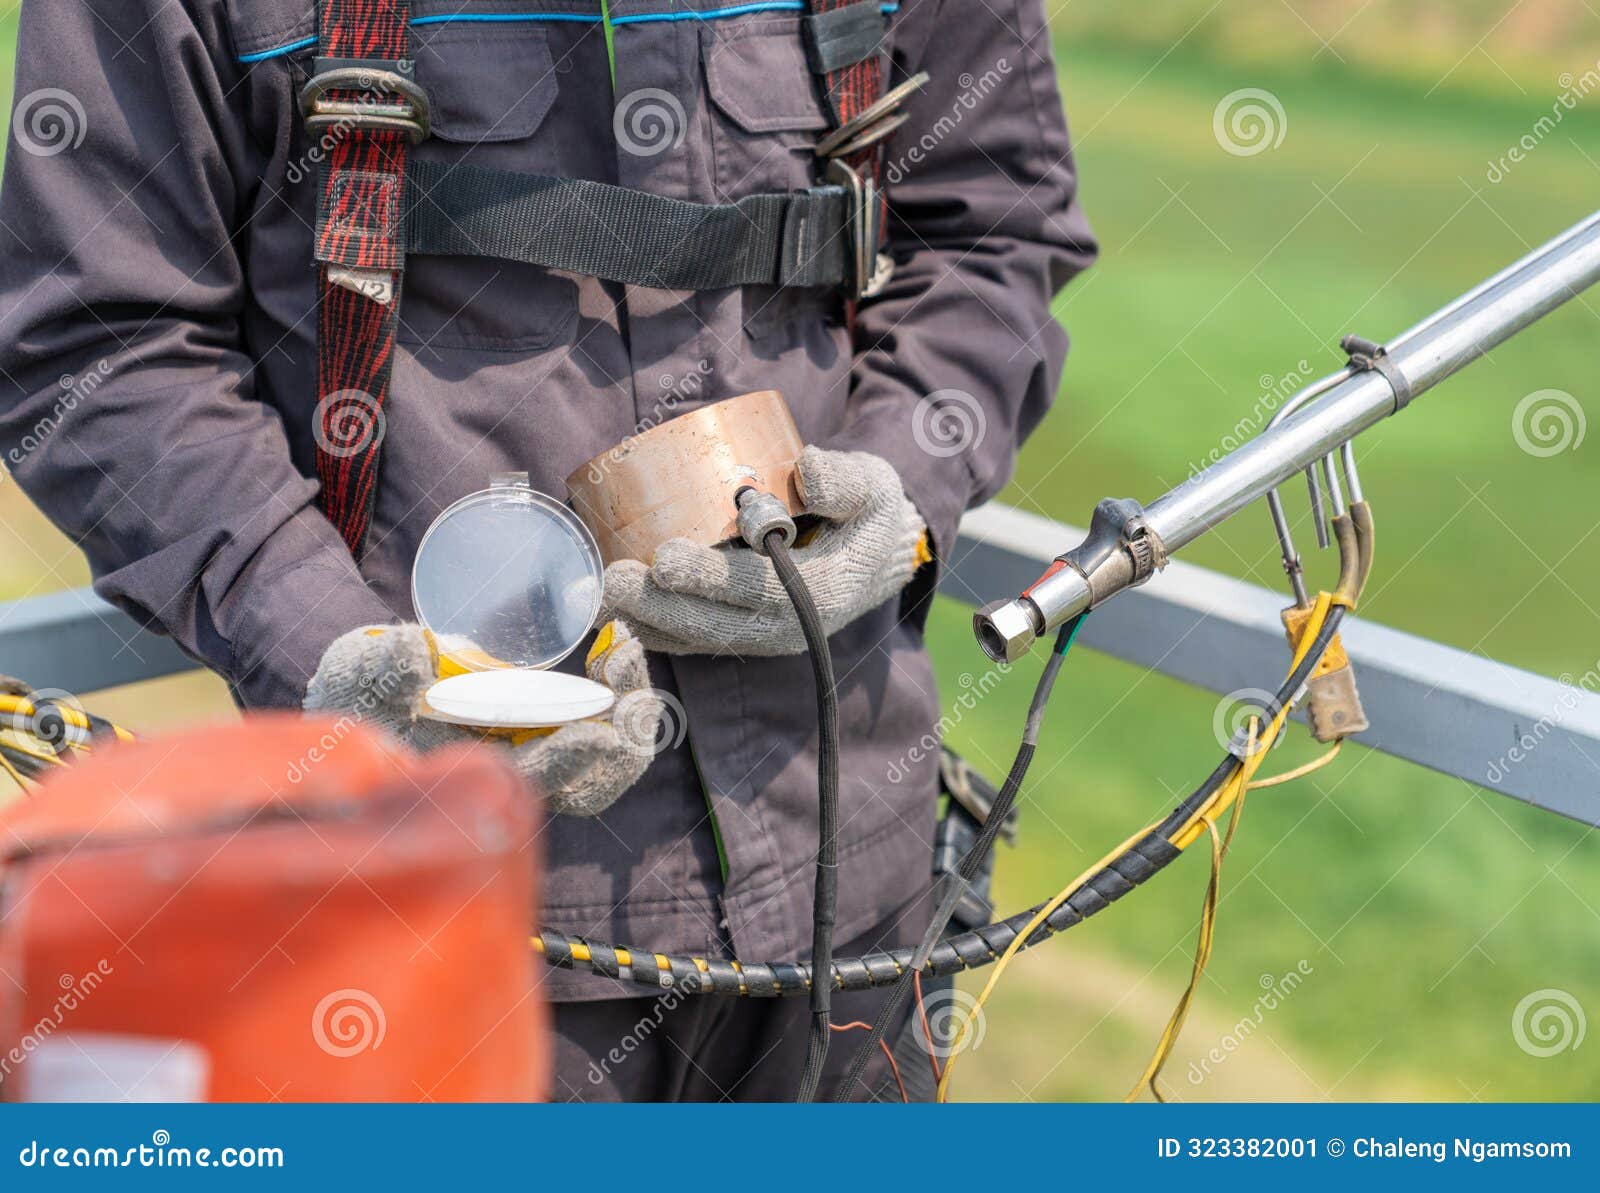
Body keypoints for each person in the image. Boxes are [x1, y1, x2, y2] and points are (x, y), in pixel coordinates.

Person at [0, 0, 1095, 1101]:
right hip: (449, 926)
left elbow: (996, 232)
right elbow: (103, 340)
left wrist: (893, 490)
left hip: (854, 893)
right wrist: (325, 646)